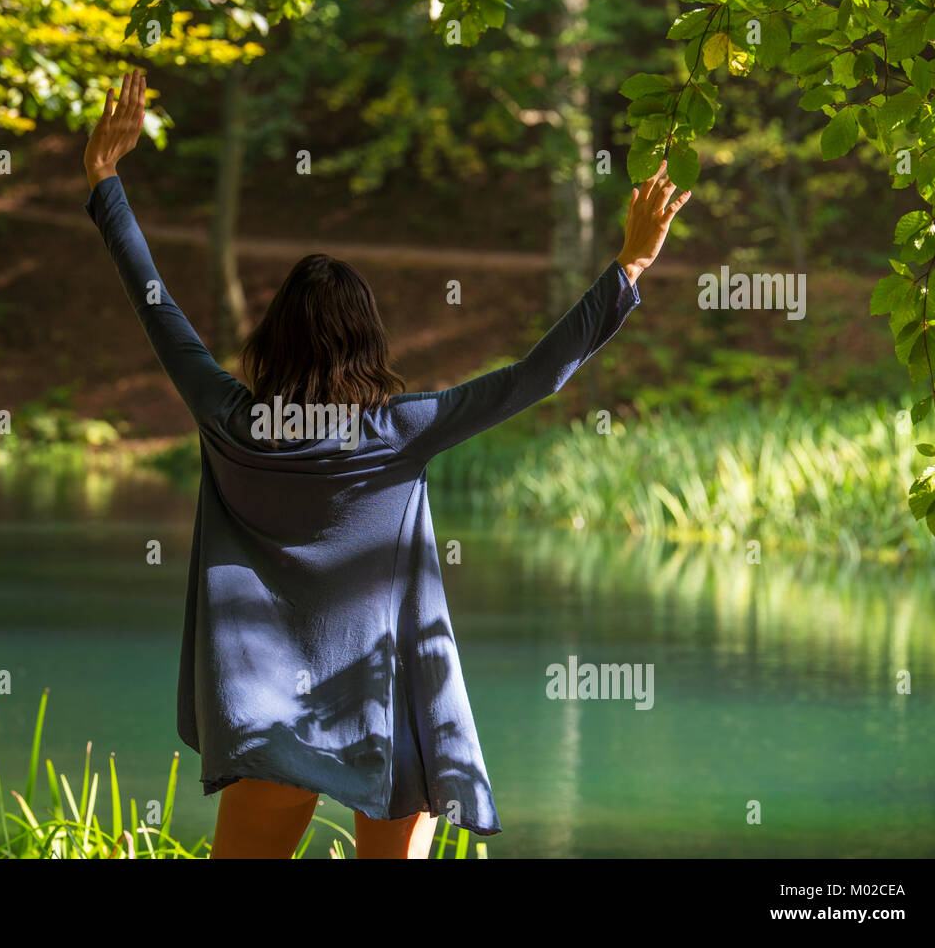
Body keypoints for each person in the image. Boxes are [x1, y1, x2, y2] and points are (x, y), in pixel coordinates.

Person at [83, 69, 690, 859]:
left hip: (267, 725)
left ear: (273, 343)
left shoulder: (229, 418)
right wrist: (629, 268)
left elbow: (156, 305)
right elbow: (534, 375)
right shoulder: (400, 428)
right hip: (389, 712)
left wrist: (106, 181)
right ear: (368, 343)